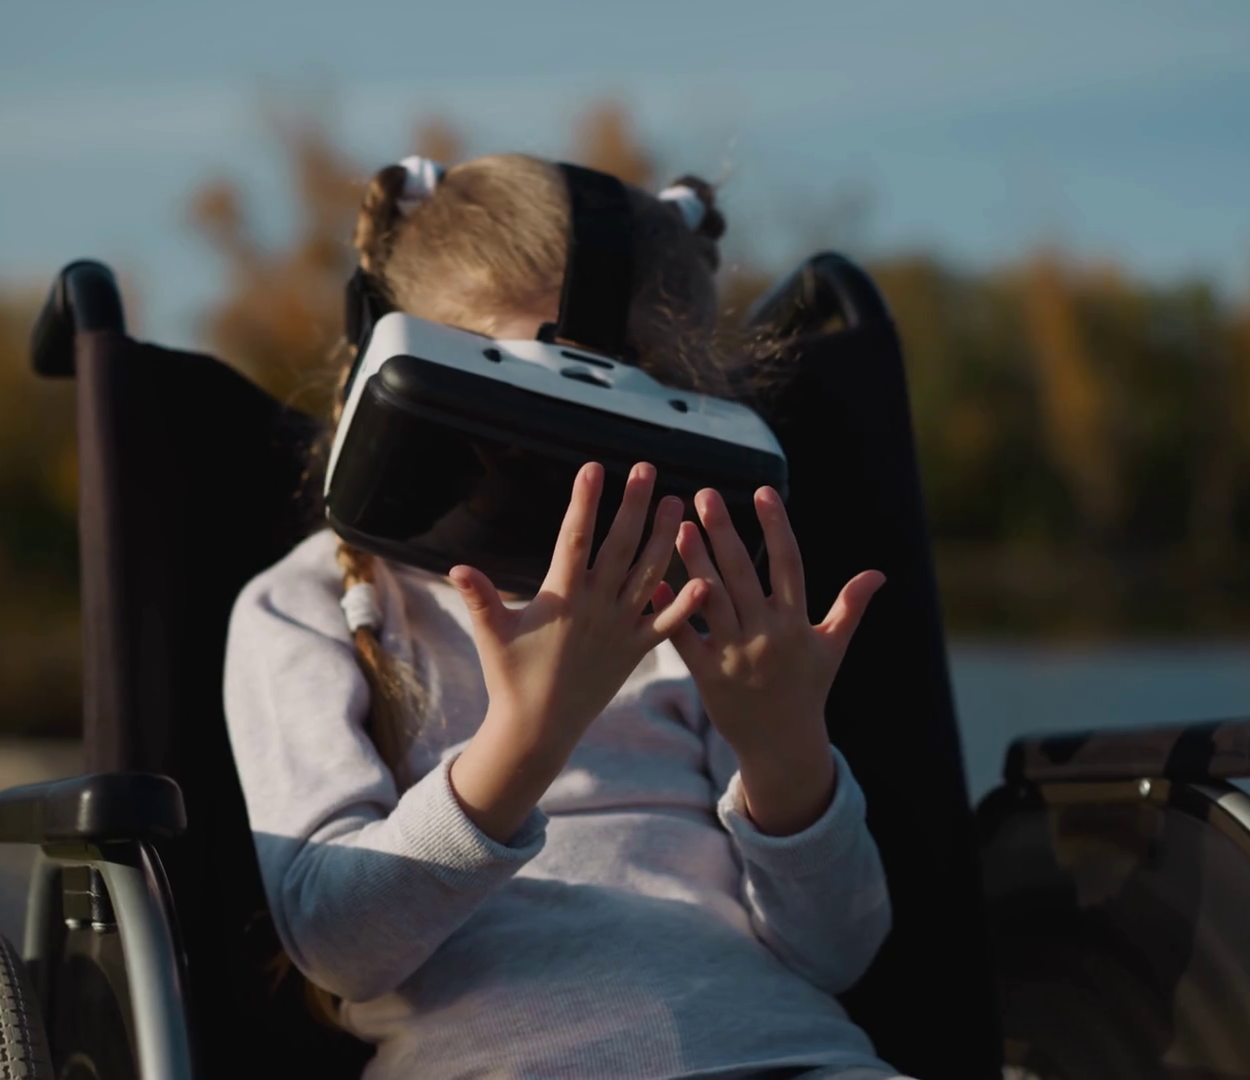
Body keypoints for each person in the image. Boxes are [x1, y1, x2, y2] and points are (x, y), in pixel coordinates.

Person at [224, 152, 907, 1079]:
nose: (565, 481)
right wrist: (525, 743)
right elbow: (337, 945)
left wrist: (788, 761)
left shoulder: (689, 604)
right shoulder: (313, 603)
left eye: (614, 434)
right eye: (510, 418)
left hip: (793, 1054)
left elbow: (838, 955)